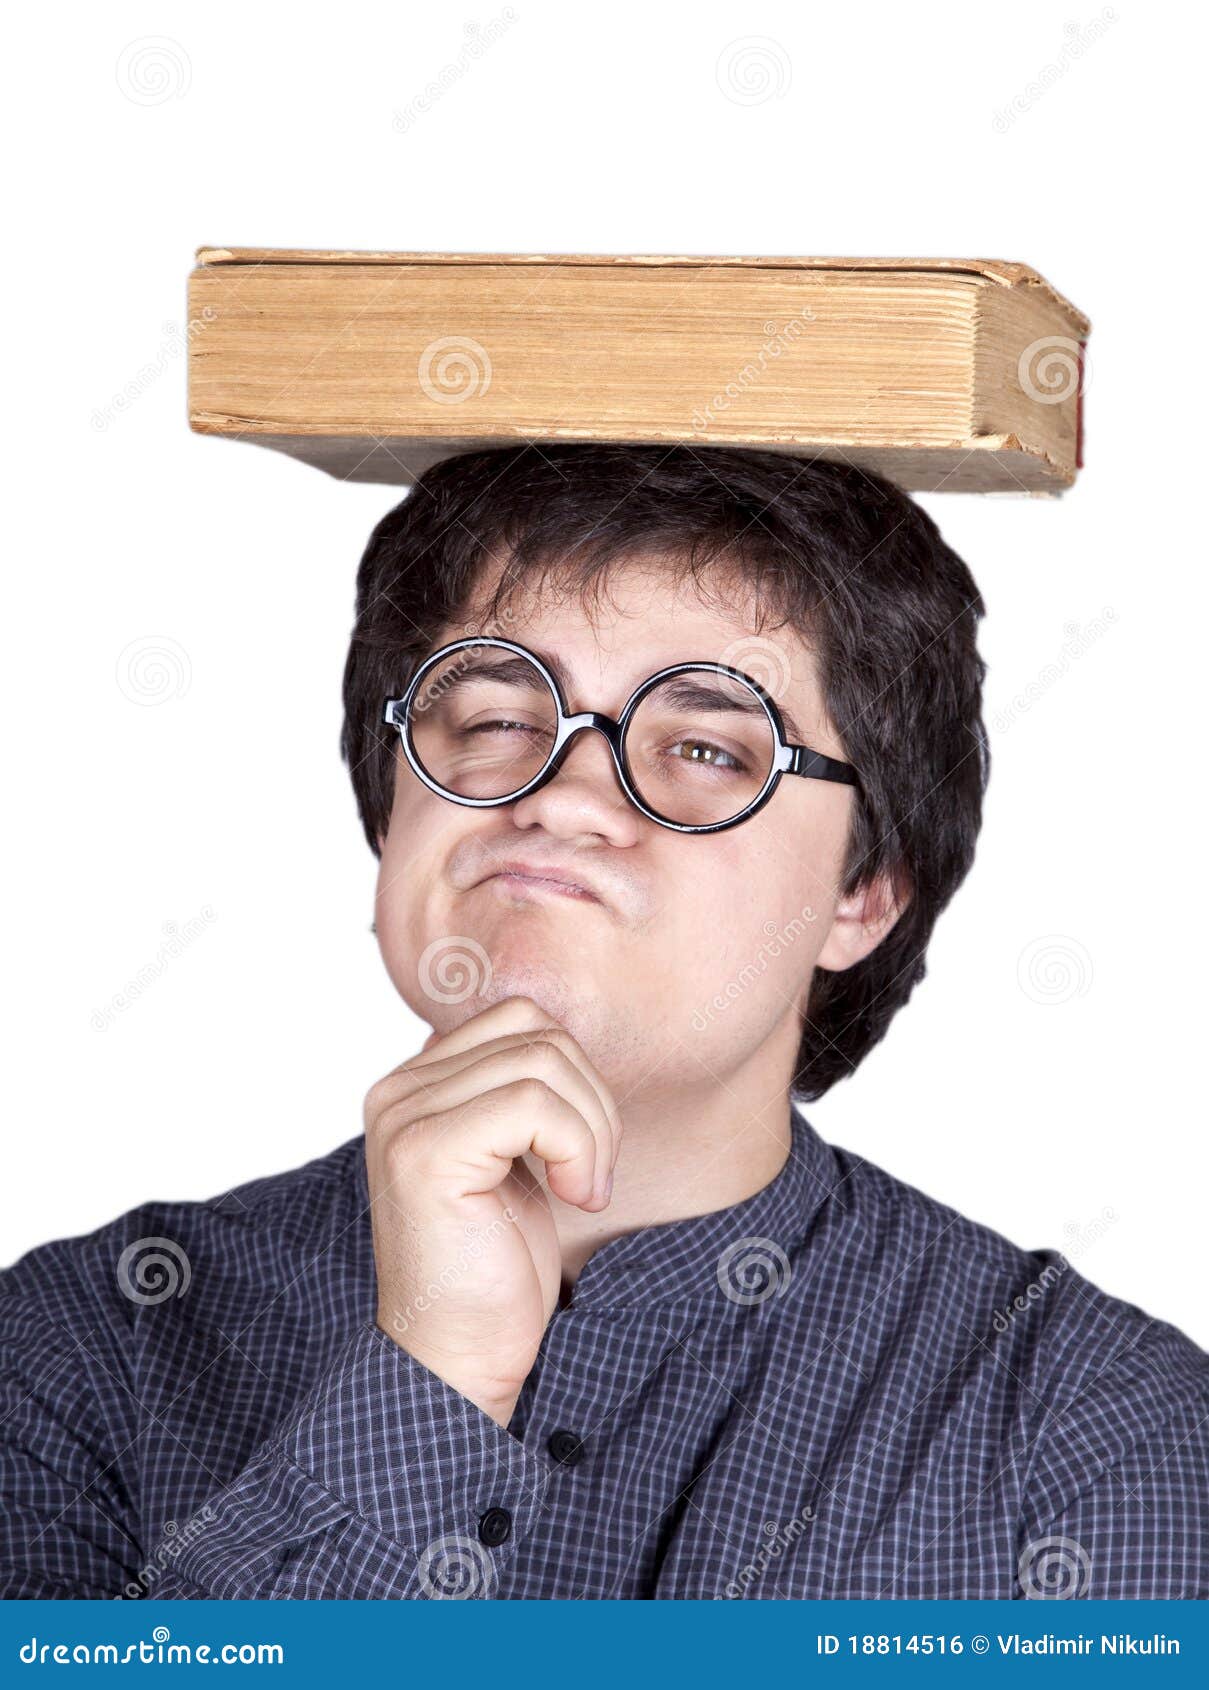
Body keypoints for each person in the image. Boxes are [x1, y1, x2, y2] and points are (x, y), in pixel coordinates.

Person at [2, 446, 1205, 1601]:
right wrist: (430, 1376)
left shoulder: (1096, 1427)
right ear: (391, 810)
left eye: (702, 746)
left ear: (863, 892)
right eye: (492, 720)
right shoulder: (71, 1350)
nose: (566, 798)